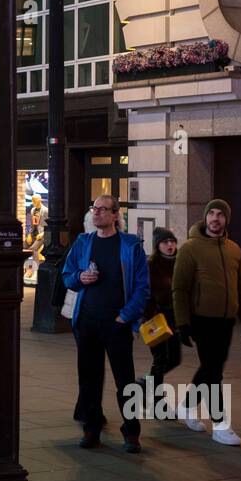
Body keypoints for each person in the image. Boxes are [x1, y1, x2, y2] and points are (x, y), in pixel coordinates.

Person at [61, 194, 150, 453]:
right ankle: (91, 428)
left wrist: (125, 316)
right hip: (87, 321)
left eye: (103, 209)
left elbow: (143, 288)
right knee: (89, 379)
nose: (96, 213)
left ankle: (131, 431)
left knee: (126, 380)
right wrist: (81, 277)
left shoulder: (130, 246)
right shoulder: (83, 242)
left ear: (115, 215)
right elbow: (67, 276)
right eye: (94, 209)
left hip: (117, 323)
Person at [171, 199, 241, 445]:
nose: (215, 219)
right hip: (201, 319)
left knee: (211, 367)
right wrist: (183, 323)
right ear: (205, 218)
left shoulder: (234, 249)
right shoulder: (190, 248)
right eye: (212, 214)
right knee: (214, 371)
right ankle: (220, 424)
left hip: (226, 321)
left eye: (221, 215)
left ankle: (186, 407)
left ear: (227, 220)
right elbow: (179, 288)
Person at [144, 227, 182, 392]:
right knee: (161, 359)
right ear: (157, 245)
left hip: (174, 317)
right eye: (165, 242)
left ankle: (146, 384)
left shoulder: (180, 263)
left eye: (172, 241)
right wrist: (147, 316)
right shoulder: (151, 266)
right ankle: (157, 402)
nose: (170, 245)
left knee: (174, 358)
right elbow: (145, 293)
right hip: (156, 317)